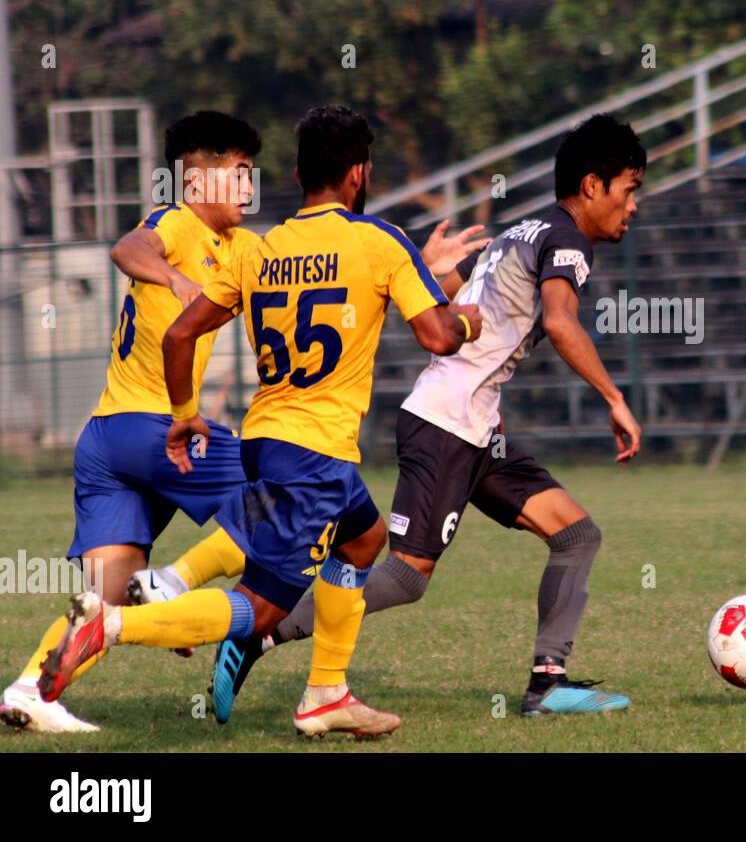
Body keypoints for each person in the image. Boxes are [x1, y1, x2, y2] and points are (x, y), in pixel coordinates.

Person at [37, 105, 484, 738]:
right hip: (318, 449)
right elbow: (439, 335)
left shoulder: (264, 250)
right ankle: (114, 624)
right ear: (359, 173)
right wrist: (470, 320)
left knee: (363, 538)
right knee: (263, 608)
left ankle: (327, 691)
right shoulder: (379, 240)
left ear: (299, 173)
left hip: (268, 437)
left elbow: (180, 335)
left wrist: (186, 415)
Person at [206, 113, 645, 721]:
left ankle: (548, 685)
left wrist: (430, 264)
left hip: (473, 428)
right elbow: (560, 320)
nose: (633, 206)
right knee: (406, 577)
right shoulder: (566, 241)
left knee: (576, 535)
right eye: (629, 188)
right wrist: (615, 399)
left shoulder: (521, 231)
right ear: (593, 186)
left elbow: (438, 288)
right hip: (446, 425)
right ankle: (256, 632)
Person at [0, 112, 262, 733]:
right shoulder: (175, 222)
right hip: (154, 432)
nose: (250, 186)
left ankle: (29, 689)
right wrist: (173, 275)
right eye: (240, 172)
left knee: (107, 598)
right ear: (199, 182)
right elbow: (127, 248)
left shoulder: (247, 249)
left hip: (106, 442)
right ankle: (320, 685)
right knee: (286, 499)